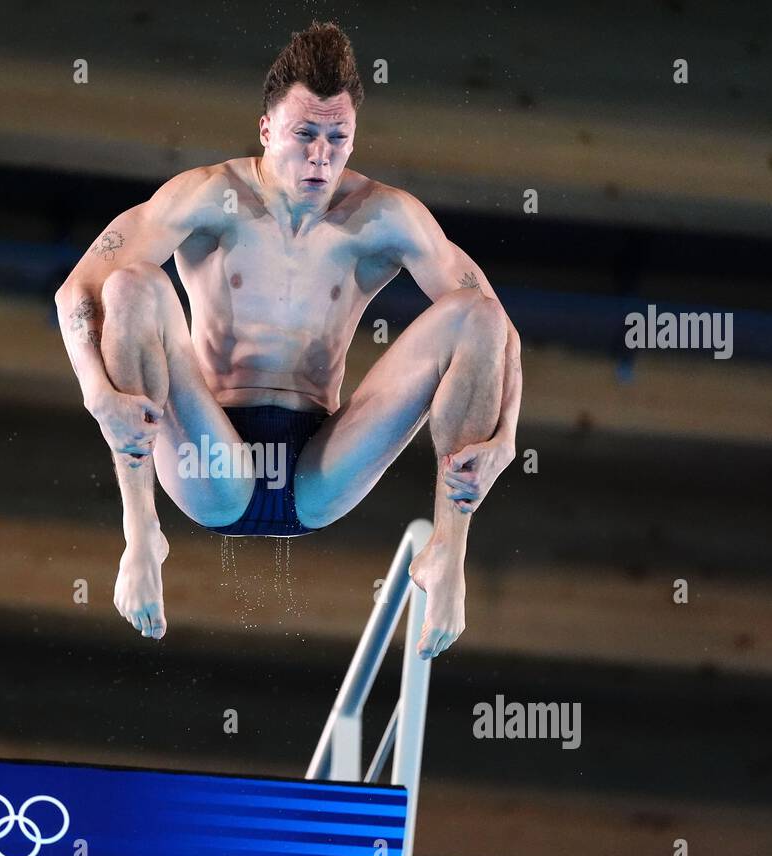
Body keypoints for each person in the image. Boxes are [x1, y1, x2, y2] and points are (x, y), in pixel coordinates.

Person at [54, 20, 521, 660]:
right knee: (132, 286)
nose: (321, 158)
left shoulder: (384, 215)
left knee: (477, 317)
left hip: (319, 470)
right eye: (305, 135)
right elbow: (77, 291)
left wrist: (507, 437)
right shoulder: (208, 196)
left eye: (339, 139)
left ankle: (448, 554)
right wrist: (95, 394)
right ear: (267, 128)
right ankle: (141, 533)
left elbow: (500, 332)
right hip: (209, 457)